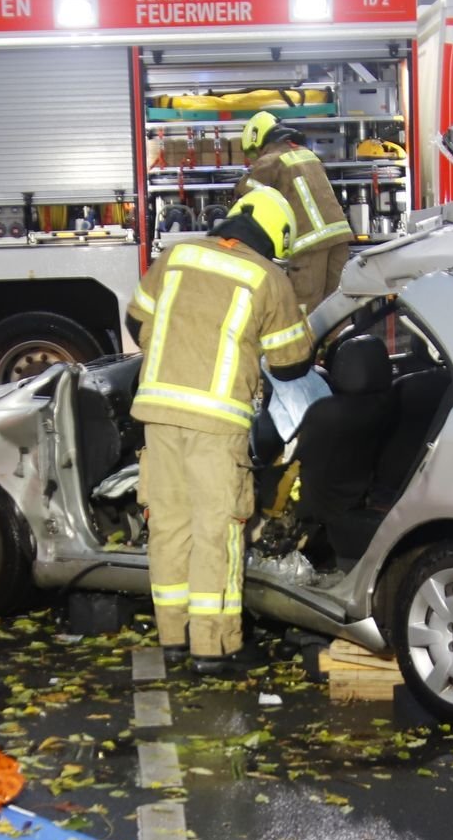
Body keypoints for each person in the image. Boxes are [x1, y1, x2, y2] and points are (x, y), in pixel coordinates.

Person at [126, 184, 313, 677]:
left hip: (158, 415)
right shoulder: (267, 277)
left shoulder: (177, 256)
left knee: (169, 526)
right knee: (218, 531)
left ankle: (173, 640)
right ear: (276, 236)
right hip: (216, 425)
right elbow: (292, 363)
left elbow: (134, 318)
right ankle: (215, 648)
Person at [235, 110, 353, 316]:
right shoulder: (307, 155)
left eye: (254, 153)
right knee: (337, 308)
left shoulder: (271, 160)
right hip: (338, 237)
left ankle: (306, 349)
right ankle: (338, 347)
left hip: (309, 244)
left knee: (305, 309)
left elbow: (246, 198)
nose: (255, 159)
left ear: (258, 138)